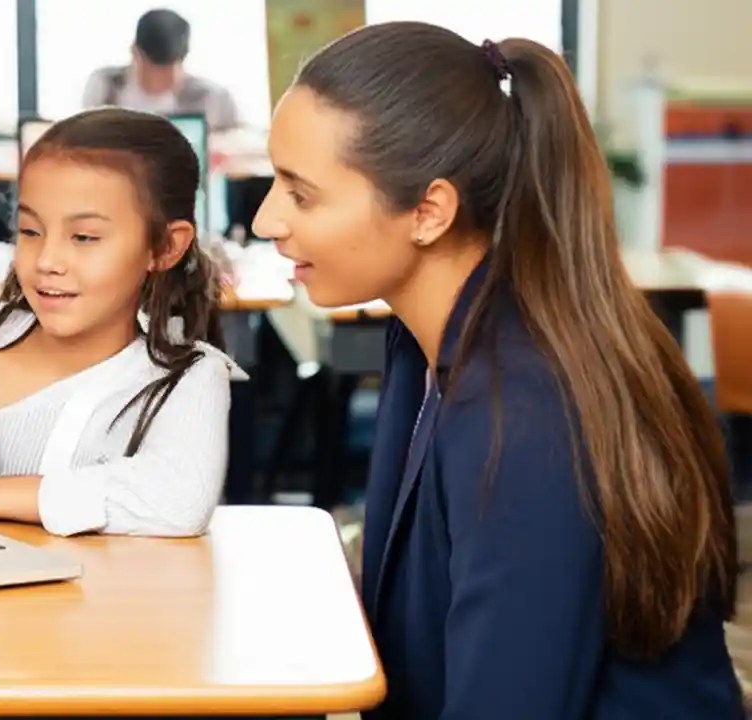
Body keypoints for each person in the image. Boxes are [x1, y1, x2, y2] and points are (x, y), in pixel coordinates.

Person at [252, 22, 740, 719]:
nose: (268, 219)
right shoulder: (422, 339)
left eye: (301, 194)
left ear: (428, 212)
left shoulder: (525, 413)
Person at [0, 107, 241, 537]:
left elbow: (179, 499)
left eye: (84, 237)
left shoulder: (184, 378)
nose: (47, 261)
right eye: (30, 231)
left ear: (165, 246)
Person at [81, 9, 239, 131]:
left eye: (168, 70)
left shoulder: (212, 98)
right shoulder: (106, 87)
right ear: (134, 53)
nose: (159, 78)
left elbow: (239, 143)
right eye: (152, 69)